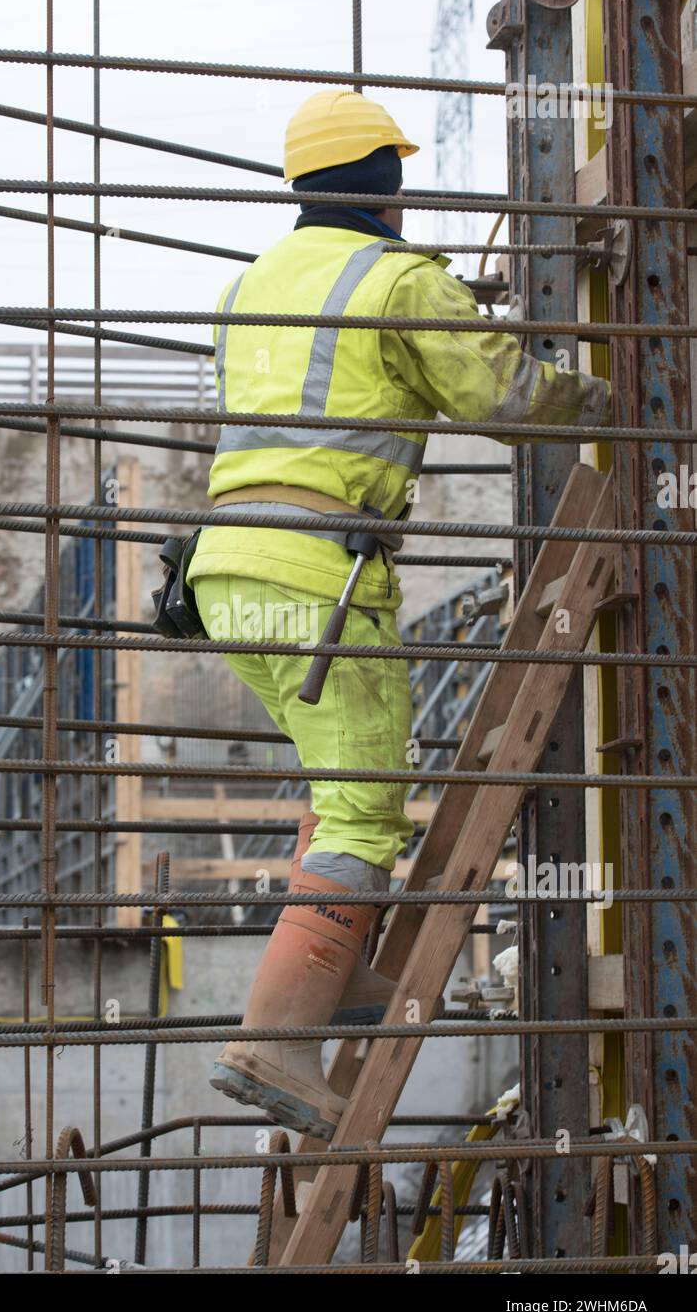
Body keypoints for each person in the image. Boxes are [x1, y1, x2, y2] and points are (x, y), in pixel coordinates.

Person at [186, 88, 611, 1140]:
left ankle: (343, 972)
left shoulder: (252, 286)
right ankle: (278, 1039)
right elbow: (498, 398)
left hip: (227, 574)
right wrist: (604, 397)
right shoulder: (397, 276)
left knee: (342, 785)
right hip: (319, 579)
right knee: (369, 805)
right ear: (388, 186)